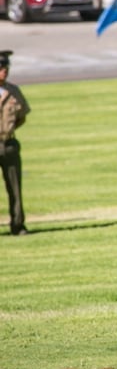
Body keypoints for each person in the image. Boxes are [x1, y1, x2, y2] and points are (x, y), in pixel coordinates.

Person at [0, 51, 30, 236]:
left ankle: (18, 225)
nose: (5, 72)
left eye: (6, 68)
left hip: (8, 144)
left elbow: (21, 116)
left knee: (15, 188)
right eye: (1, 68)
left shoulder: (13, 91)